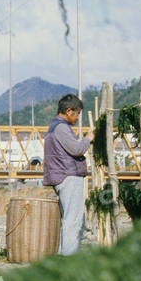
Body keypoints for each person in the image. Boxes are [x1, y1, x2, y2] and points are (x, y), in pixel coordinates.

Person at [42, 93, 90, 255]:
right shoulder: (61, 128)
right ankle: (68, 258)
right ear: (69, 111)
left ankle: (64, 255)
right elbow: (77, 149)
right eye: (77, 114)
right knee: (73, 220)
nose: (77, 118)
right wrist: (88, 139)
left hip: (61, 175)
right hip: (68, 176)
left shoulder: (53, 126)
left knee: (70, 218)